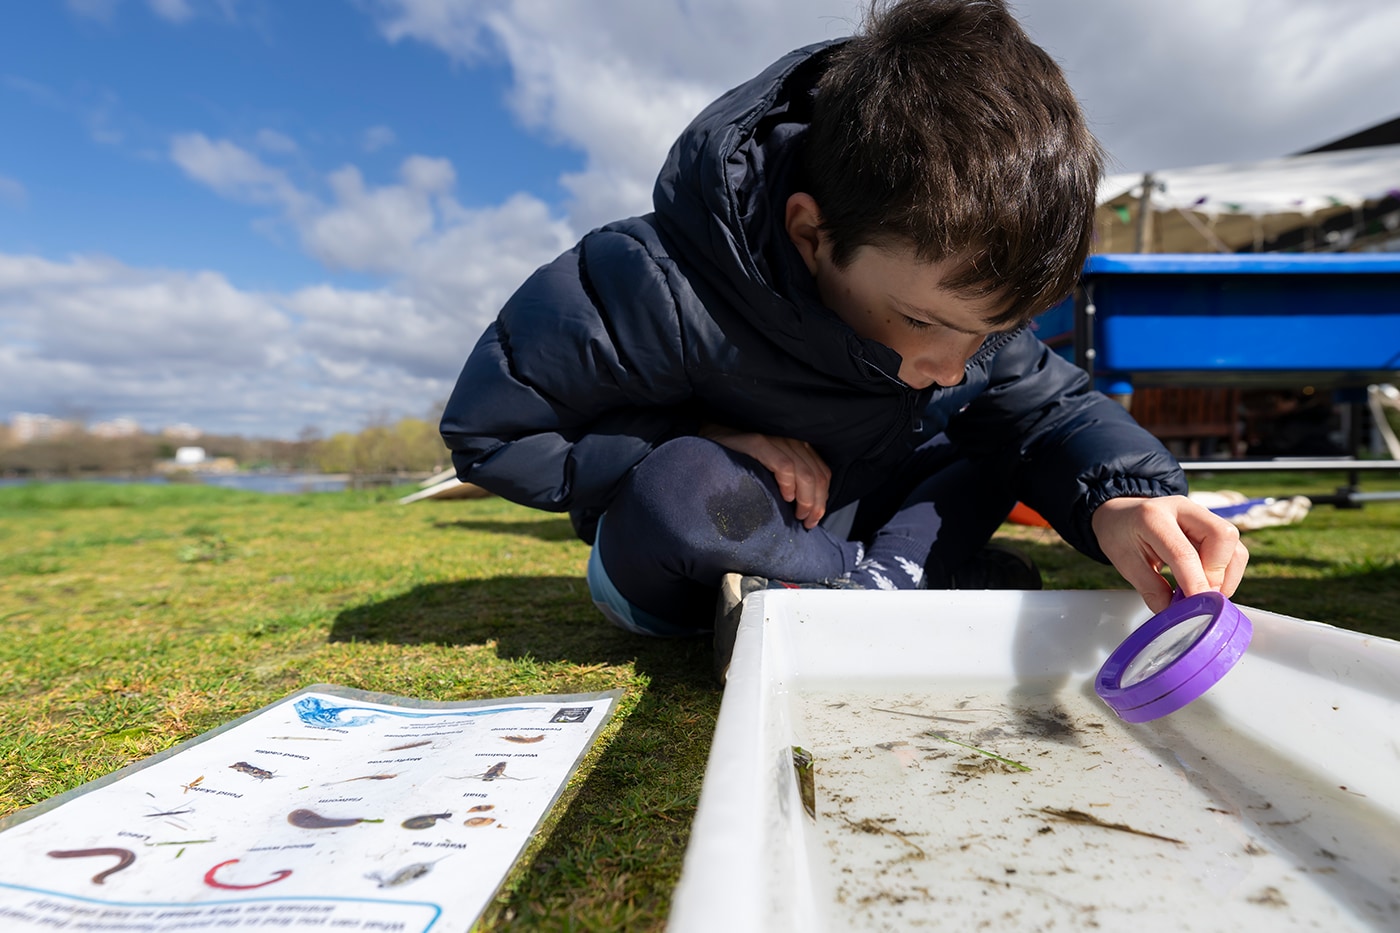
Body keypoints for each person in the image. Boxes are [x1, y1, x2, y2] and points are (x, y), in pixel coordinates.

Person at [439, 0, 1248, 676]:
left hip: (864, 518)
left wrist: (1124, 499)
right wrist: (706, 433)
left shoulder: (962, 333)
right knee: (688, 485)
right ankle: (893, 580)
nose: (945, 369)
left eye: (991, 331)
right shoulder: (651, 282)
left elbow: (1055, 415)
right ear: (810, 235)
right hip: (696, 552)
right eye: (923, 321)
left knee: (995, 444)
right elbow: (493, 431)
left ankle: (881, 583)